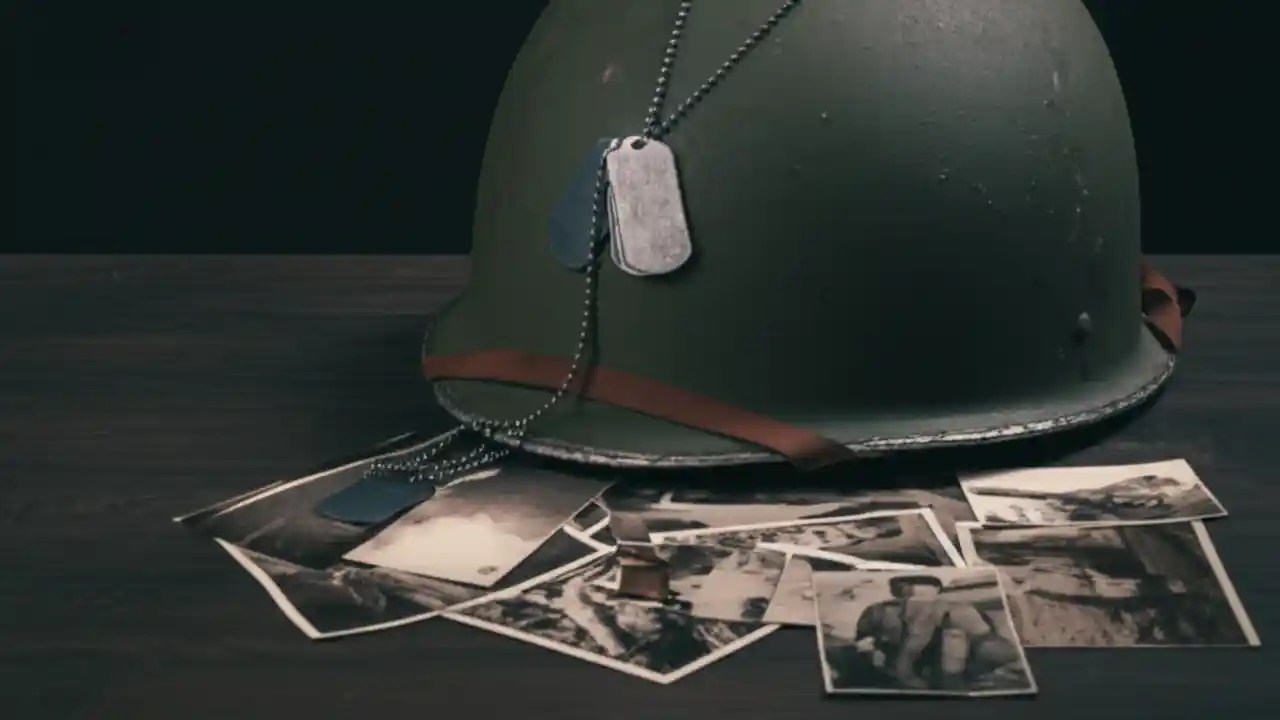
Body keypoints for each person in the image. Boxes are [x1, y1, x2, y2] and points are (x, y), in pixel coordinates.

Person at [850, 575, 1021, 689]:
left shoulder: (960, 611)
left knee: (957, 633)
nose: (916, 595)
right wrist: (873, 654)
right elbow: (863, 641)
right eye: (908, 590)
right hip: (895, 670)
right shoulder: (879, 611)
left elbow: (996, 650)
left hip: (952, 667)